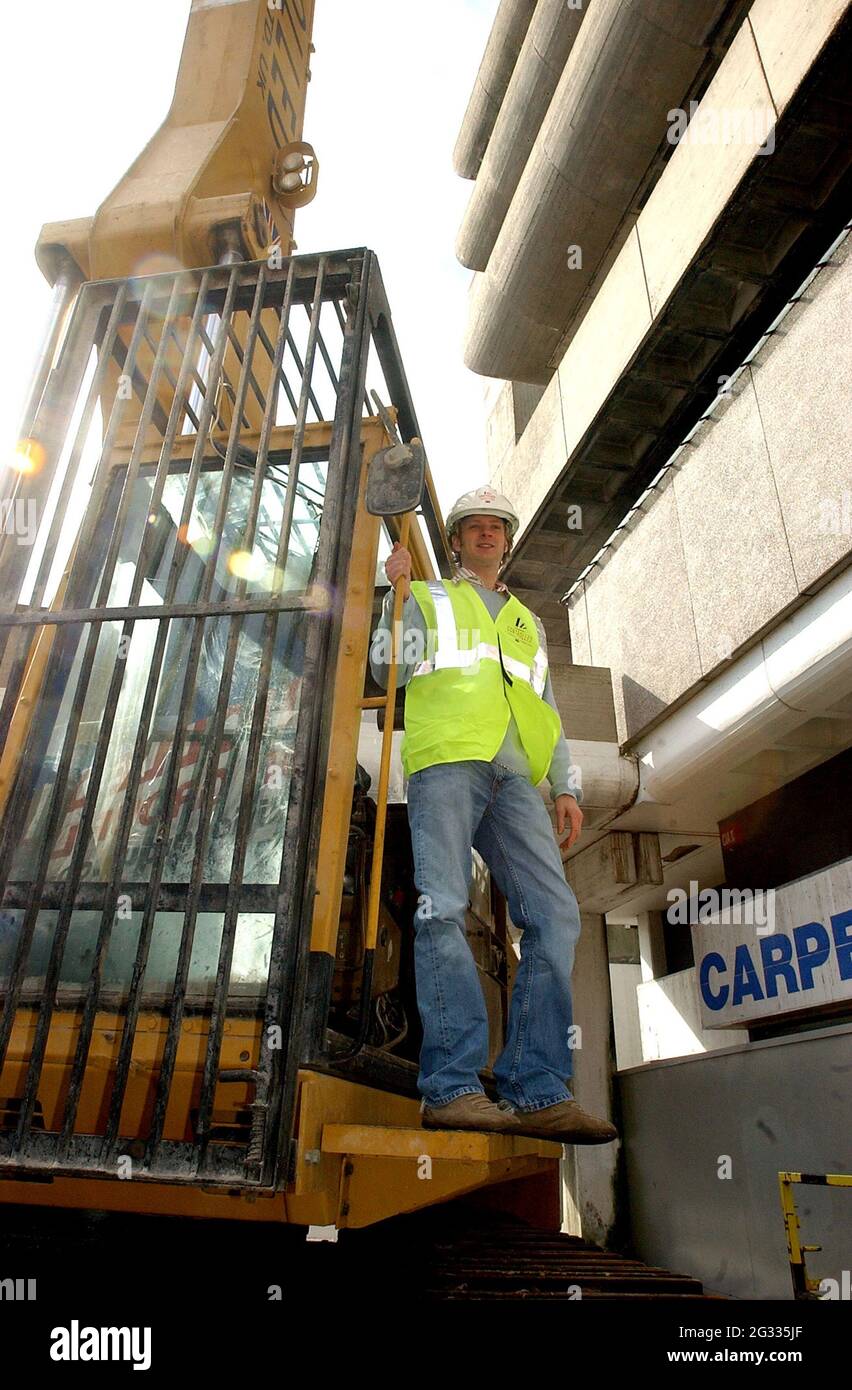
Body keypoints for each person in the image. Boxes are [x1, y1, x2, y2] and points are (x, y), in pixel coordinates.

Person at [369, 486, 617, 1145]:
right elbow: (386, 673)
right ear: (456, 541)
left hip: (515, 780)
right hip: (447, 759)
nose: (486, 534)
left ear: (506, 540)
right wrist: (392, 596)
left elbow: (547, 709)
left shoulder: (527, 623)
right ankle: (451, 1087)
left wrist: (564, 786)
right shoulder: (427, 597)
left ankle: (537, 1089)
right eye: (473, 526)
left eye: (496, 527)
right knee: (443, 909)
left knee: (556, 916)